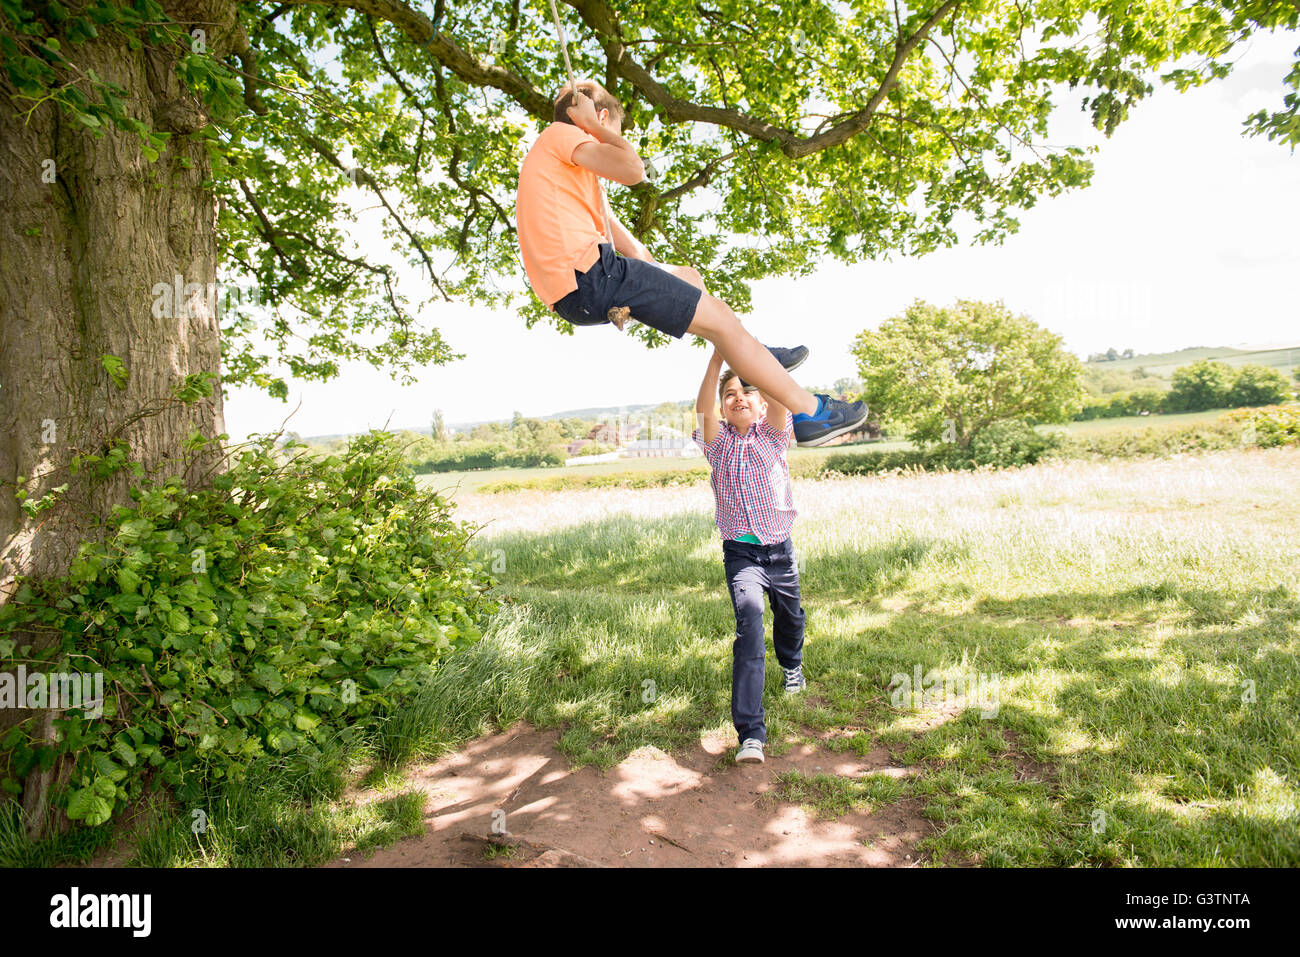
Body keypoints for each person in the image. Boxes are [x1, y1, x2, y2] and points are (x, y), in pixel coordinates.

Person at [515, 78, 869, 446]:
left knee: (692, 280)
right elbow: (633, 170)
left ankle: (754, 354)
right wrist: (592, 127)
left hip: (580, 287)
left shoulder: (570, 175)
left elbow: (635, 251)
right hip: (589, 275)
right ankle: (812, 413)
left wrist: (670, 281)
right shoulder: (560, 135)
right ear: (599, 117)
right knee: (723, 325)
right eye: (612, 129)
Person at [693, 347, 808, 764]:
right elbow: (703, 405)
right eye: (730, 394)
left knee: (791, 617)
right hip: (741, 554)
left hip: (780, 550)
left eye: (747, 391)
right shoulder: (717, 443)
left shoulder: (774, 435)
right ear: (723, 409)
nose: (738, 397)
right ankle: (751, 734)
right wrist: (717, 360)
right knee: (751, 624)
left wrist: (759, 365)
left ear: (760, 404)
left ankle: (792, 664)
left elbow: (779, 399)